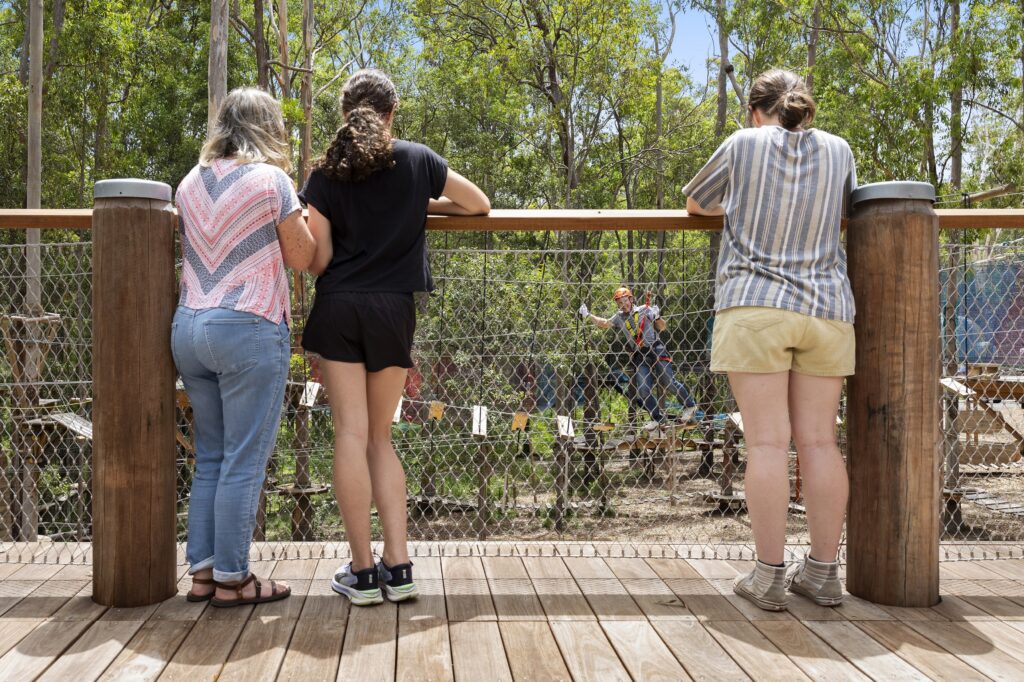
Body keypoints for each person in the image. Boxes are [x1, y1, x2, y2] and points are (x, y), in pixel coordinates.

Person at [300, 69, 490, 606]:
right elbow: (478, 204)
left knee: (349, 436)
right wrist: (419, 206)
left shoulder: (325, 173)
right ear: (392, 111)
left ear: (345, 114)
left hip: (339, 308)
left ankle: (361, 575)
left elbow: (320, 261)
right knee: (381, 439)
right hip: (392, 311)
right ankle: (399, 568)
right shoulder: (417, 159)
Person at [684, 69, 857, 611]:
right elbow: (847, 215)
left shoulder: (743, 143)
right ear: (805, 107)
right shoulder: (839, 150)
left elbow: (696, 203)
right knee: (820, 442)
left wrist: (737, 209)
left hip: (756, 305)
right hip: (826, 309)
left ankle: (768, 576)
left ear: (756, 111)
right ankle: (825, 574)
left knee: (765, 443)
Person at [172, 88, 316, 606]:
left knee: (210, 456)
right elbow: (302, 257)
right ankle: (235, 579)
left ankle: (204, 573)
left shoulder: (190, 180)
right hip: (248, 324)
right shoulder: (271, 180)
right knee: (244, 460)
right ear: (269, 127)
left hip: (189, 326)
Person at [579, 287, 698, 432]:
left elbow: (663, 327)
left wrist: (657, 317)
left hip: (656, 348)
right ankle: (657, 418)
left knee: (668, 382)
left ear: (631, 299)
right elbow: (604, 323)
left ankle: (689, 405)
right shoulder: (618, 317)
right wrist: (588, 315)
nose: (624, 304)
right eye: (620, 302)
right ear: (618, 304)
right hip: (640, 354)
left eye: (626, 300)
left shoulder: (645, 309)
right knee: (643, 390)